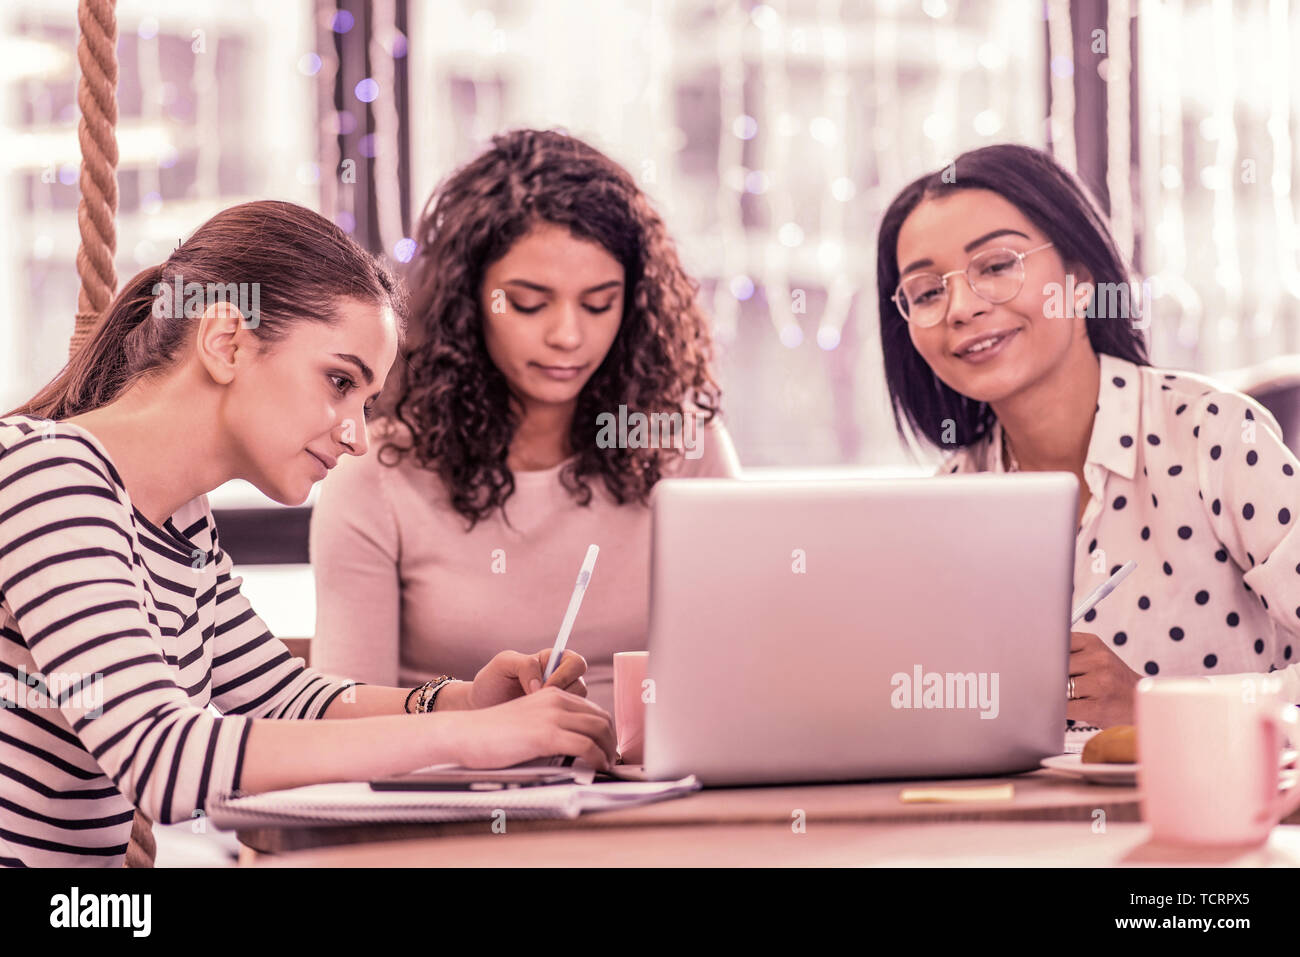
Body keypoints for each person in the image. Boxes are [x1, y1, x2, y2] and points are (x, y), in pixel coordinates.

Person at [0, 200, 614, 868]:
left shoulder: (181, 524)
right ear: (227, 340)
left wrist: (462, 699)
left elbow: (290, 700)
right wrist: (469, 736)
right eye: (339, 381)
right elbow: (164, 758)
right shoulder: (48, 472)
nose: (356, 436)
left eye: (367, 401)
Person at [309, 130, 740, 713]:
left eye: (598, 303)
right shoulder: (376, 471)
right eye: (530, 303)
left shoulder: (679, 441)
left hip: (651, 791)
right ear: (469, 300)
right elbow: (345, 718)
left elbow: (737, 667)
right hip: (452, 793)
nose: (567, 336)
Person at [876, 144, 1300, 726]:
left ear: (1079, 280)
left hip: (1211, 812)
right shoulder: (952, 499)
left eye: (997, 266)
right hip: (1023, 815)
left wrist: (1155, 707)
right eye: (926, 292)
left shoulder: (1216, 436)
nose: (960, 308)